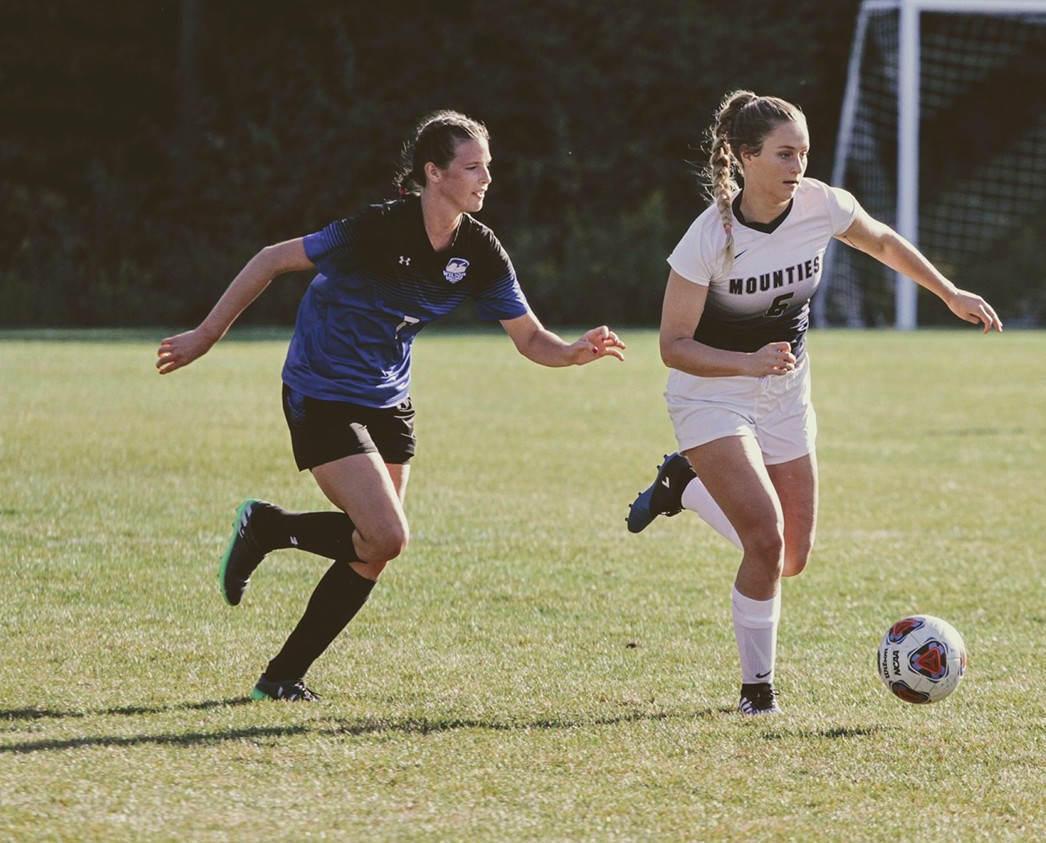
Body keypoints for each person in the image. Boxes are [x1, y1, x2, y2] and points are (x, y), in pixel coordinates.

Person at [156, 111, 626, 701]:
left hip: (389, 398)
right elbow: (272, 258)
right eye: (472, 167)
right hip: (321, 390)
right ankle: (268, 540)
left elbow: (532, 338)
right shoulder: (378, 228)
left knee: (374, 547)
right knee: (387, 535)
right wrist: (204, 335)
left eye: (488, 167)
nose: (486, 179)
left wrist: (574, 352)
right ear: (433, 173)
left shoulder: (479, 250)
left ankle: (279, 664)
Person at [625, 91, 1002, 716]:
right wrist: (745, 363)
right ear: (746, 158)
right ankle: (757, 693)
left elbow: (880, 241)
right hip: (711, 396)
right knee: (765, 540)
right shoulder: (709, 237)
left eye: (803, 151)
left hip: (784, 394)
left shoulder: (822, 204)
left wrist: (947, 290)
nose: (797, 164)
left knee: (791, 558)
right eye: (783, 153)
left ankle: (684, 485)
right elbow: (672, 346)